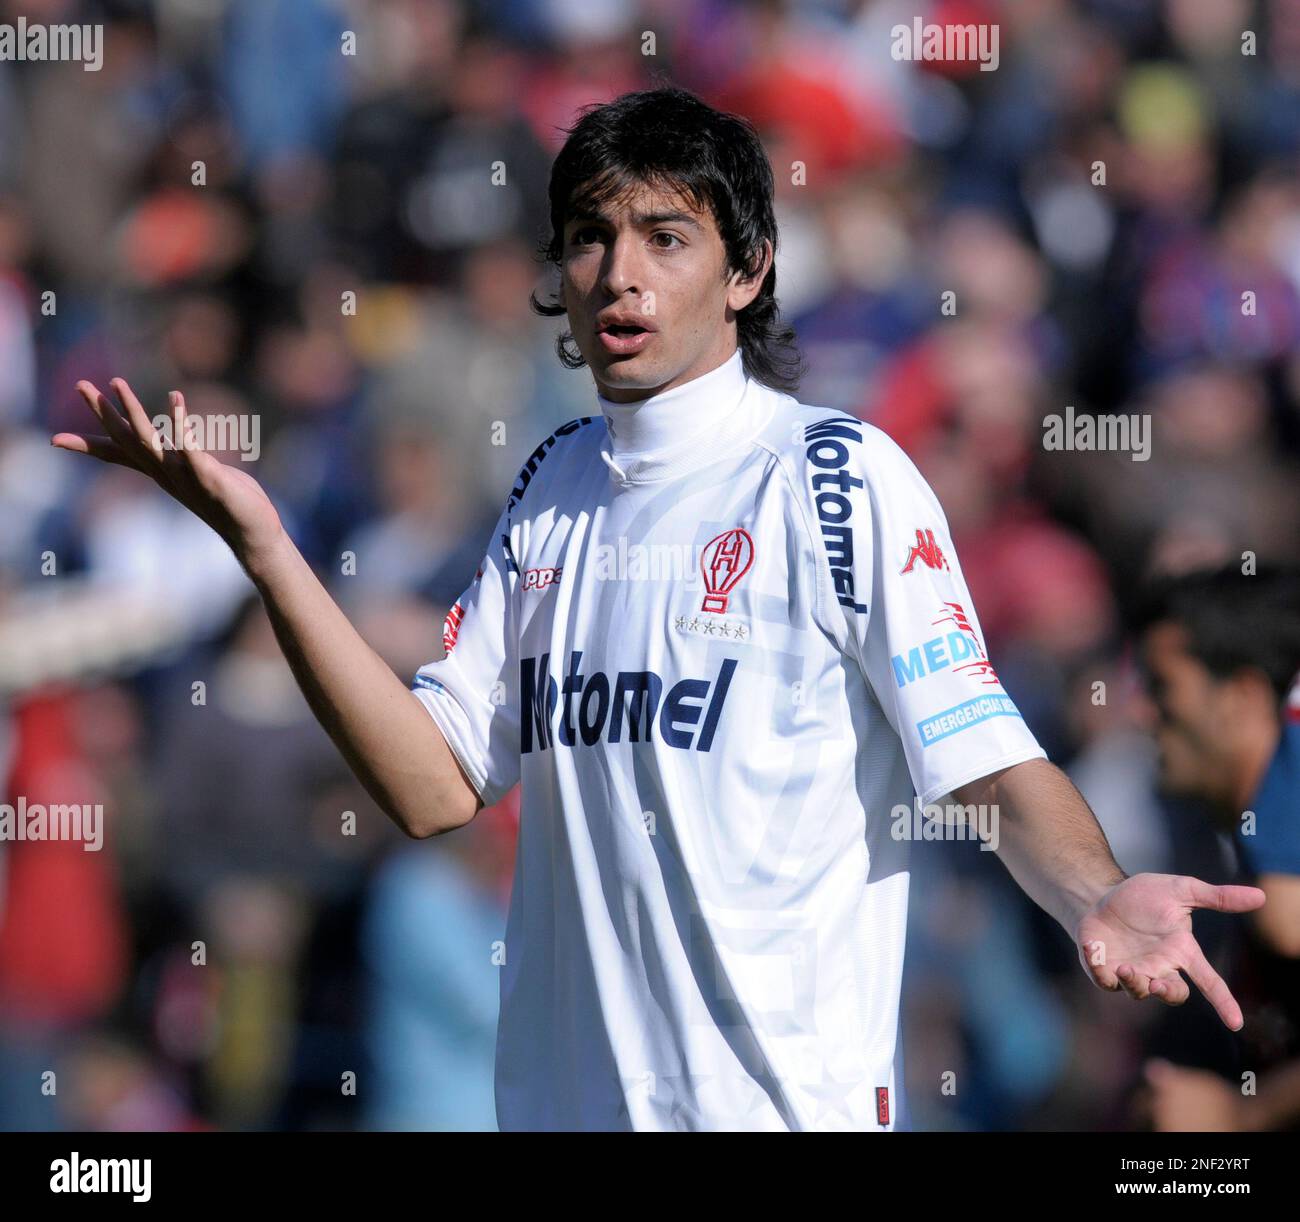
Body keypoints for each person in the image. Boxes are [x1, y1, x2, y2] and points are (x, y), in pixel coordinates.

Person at [53, 86, 1265, 1132]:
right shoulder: (549, 489)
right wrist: (269, 549)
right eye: (589, 237)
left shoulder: (834, 477)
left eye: (665, 236)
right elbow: (430, 785)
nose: (619, 274)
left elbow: (983, 760)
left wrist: (1093, 892)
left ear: (748, 269)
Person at [1133, 565, 1300, 1131]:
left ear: (1242, 697)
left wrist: (1243, 1116)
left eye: (1161, 687)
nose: (1143, 714)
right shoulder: (1244, 858)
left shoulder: (1283, 894)